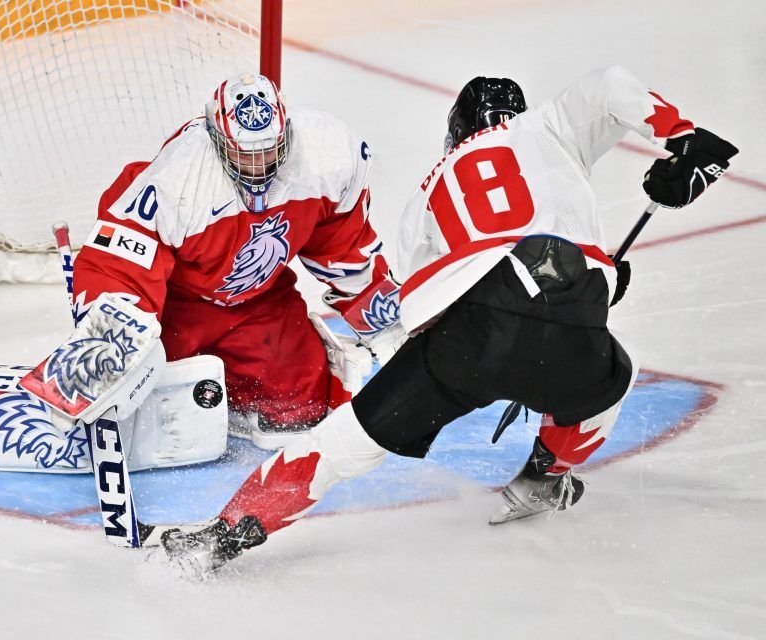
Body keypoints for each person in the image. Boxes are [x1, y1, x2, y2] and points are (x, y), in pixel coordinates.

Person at [159, 66, 739, 575]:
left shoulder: (431, 189)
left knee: (342, 448)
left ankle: (221, 536)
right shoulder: (548, 128)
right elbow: (613, 84)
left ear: (456, 132)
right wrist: (681, 138)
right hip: (572, 312)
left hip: (467, 339)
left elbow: (419, 310)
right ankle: (543, 475)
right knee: (615, 371)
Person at [0, 73, 403, 476]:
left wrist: (381, 312)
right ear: (218, 141)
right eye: (244, 155)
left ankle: (230, 401)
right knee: (126, 401)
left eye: (268, 150)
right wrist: (115, 338)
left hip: (262, 303)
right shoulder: (177, 178)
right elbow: (120, 265)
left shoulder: (330, 153)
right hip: (178, 307)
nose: (259, 166)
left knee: (300, 409)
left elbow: (342, 241)